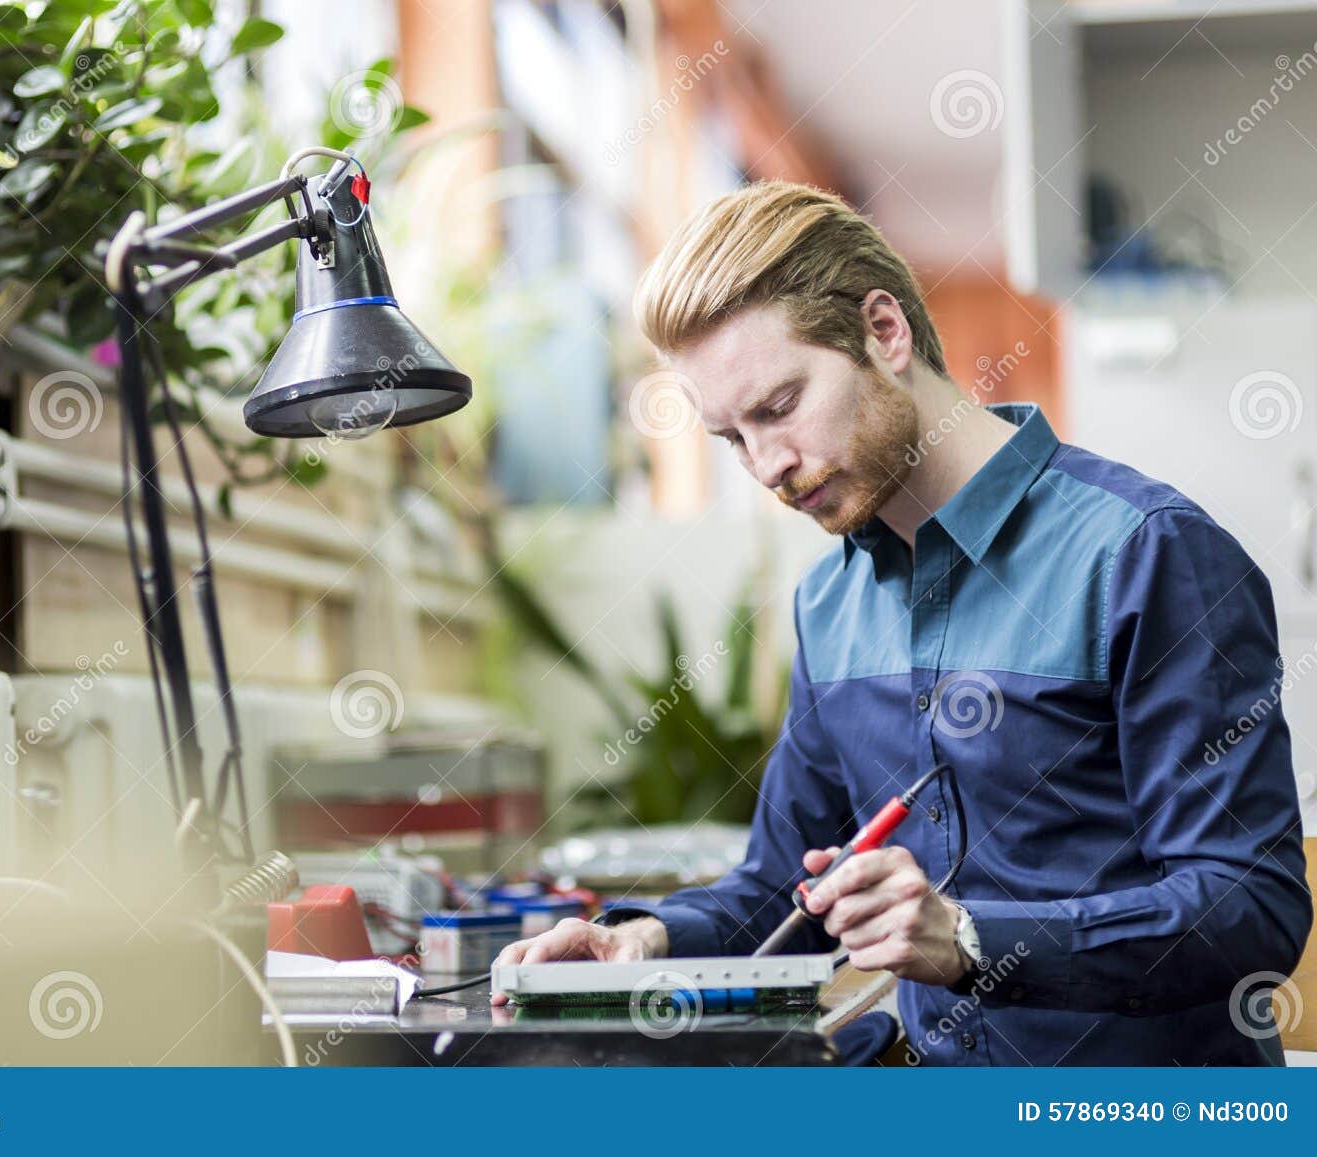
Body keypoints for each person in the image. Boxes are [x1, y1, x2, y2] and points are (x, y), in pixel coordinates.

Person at [492, 181, 1311, 1066]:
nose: (769, 466)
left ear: (885, 333)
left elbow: (1250, 906)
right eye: (733, 438)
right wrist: (646, 940)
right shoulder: (829, 606)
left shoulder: (1145, 553)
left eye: (778, 407)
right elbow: (782, 890)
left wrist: (968, 938)